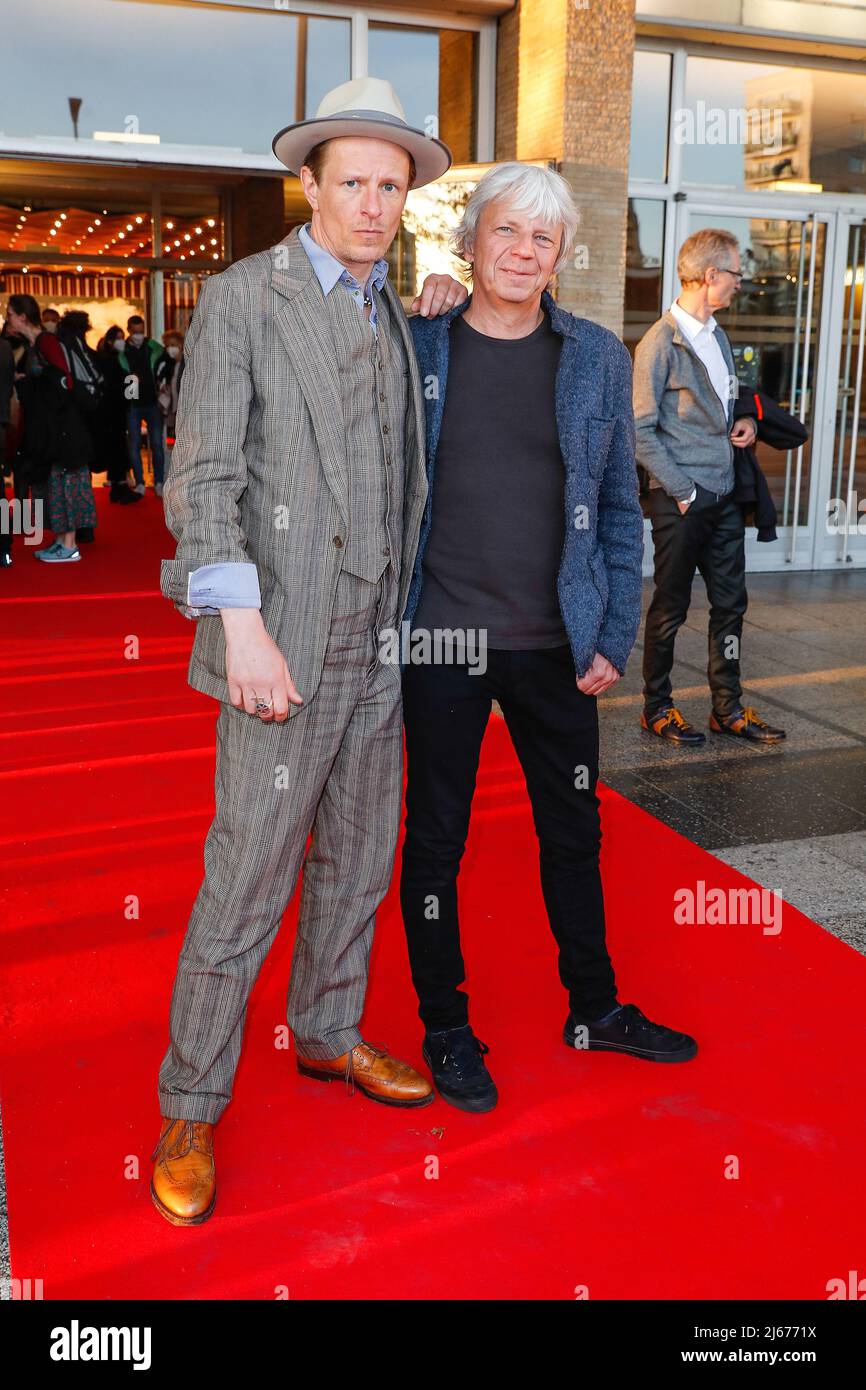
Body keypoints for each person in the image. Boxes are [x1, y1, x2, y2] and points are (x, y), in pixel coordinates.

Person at [153, 76, 467, 1226]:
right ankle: (189, 1100)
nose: (375, 204)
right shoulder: (243, 299)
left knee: (358, 857)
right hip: (277, 642)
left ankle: (329, 1031)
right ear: (311, 186)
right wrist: (237, 625)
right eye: (355, 184)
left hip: (379, 642)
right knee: (244, 875)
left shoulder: (396, 305)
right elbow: (206, 481)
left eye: (393, 186)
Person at [398, 163, 697, 1115]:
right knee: (436, 840)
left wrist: (611, 630)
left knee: (574, 832)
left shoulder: (599, 358)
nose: (523, 253)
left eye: (543, 240)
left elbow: (618, 506)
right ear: (472, 240)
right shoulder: (418, 345)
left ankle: (595, 1009)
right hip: (440, 642)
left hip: (554, 645)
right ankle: (446, 1026)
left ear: (560, 255)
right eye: (507, 233)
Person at [634, 229, 785, 746]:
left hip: (722, 497)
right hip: (682, 499)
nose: (741, 284)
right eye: (736, 274)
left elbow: (724, 405)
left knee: (731, 606)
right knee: (670, 608)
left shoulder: (717, 335)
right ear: (710, 275)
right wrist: (683, 490)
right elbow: (638, 429)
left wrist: (744, 426)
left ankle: (729, 707)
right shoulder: (661, 341)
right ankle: (656, 706)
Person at [5, 294, 96, 563]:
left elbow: (62, 381)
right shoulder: (34, 343)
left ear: (22, 317)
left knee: (66, 482)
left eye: (10, 313)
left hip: (62, 427)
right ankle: (60, 540)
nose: (7, 318)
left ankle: (69, 544)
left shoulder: (45, 341)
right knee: (54, 484)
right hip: (50, 427)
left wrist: (34, 383)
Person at [118, 313, 165, 495]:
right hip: (132, 401)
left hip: (152, 401)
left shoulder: (153, 347)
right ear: (129, 330)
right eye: (135, 332)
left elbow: (164, 364)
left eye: (141, 331)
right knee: (134, 444)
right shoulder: (123, 350)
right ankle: (140, 482)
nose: (139, 335)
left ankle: (159, 481)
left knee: (157, 444)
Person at [95, 325, 141, 504]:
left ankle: (119, 485)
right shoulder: (108, 360)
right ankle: (119, 486)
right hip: (111, 410)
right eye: (118, 338)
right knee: (117, 448)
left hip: (119, 409)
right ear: (109, 341)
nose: (122, 341)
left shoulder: (120, 358)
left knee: (120, 448)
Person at [156, 330, 184, 464]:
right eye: (167, 345)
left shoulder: (187, 364)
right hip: (174, 409)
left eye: (173, 344)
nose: (170, 348)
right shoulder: (171, 365)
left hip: (184, 410)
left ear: (181, 344)